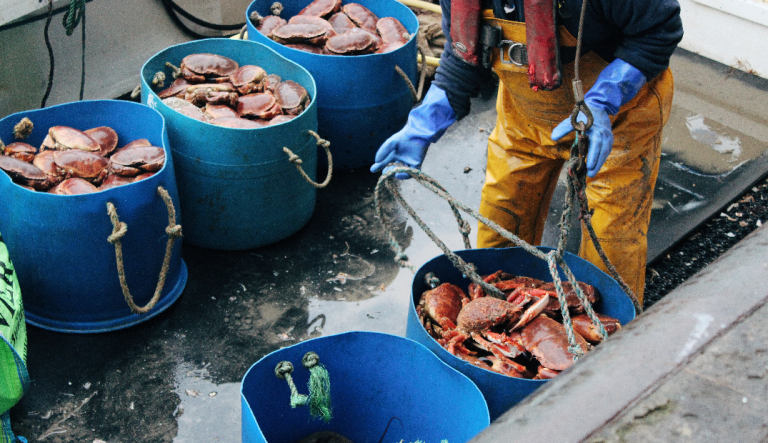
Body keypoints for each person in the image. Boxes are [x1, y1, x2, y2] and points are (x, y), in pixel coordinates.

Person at [371, 0, 683, 305]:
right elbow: (464, 51)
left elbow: (660, 30)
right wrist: (426, 120)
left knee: (611, 240)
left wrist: (605, 99)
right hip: (525, 117)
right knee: (500, 231)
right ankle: (502, 317)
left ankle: (613, 344)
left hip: (618, 123)